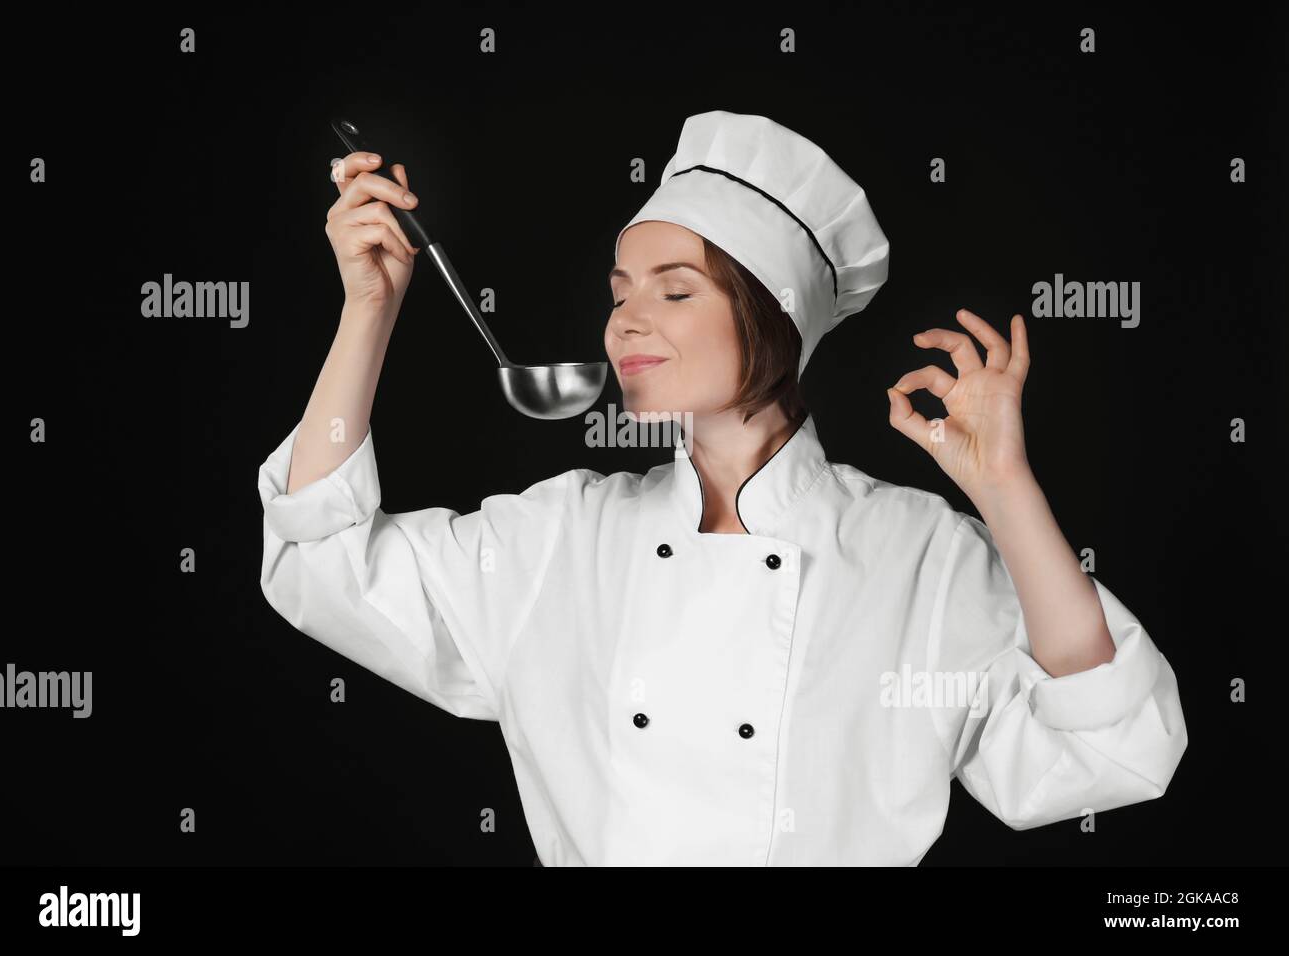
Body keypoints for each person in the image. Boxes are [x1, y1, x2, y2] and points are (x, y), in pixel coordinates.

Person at [258, 111, 1187, 866]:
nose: (626, 318)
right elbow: (323, 562)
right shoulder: (560, 538)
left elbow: (1110, 743)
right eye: (621, 290)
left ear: (773, 315)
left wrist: (1007, 489)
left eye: (674, 290)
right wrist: (368, 312)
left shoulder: (918, 554)